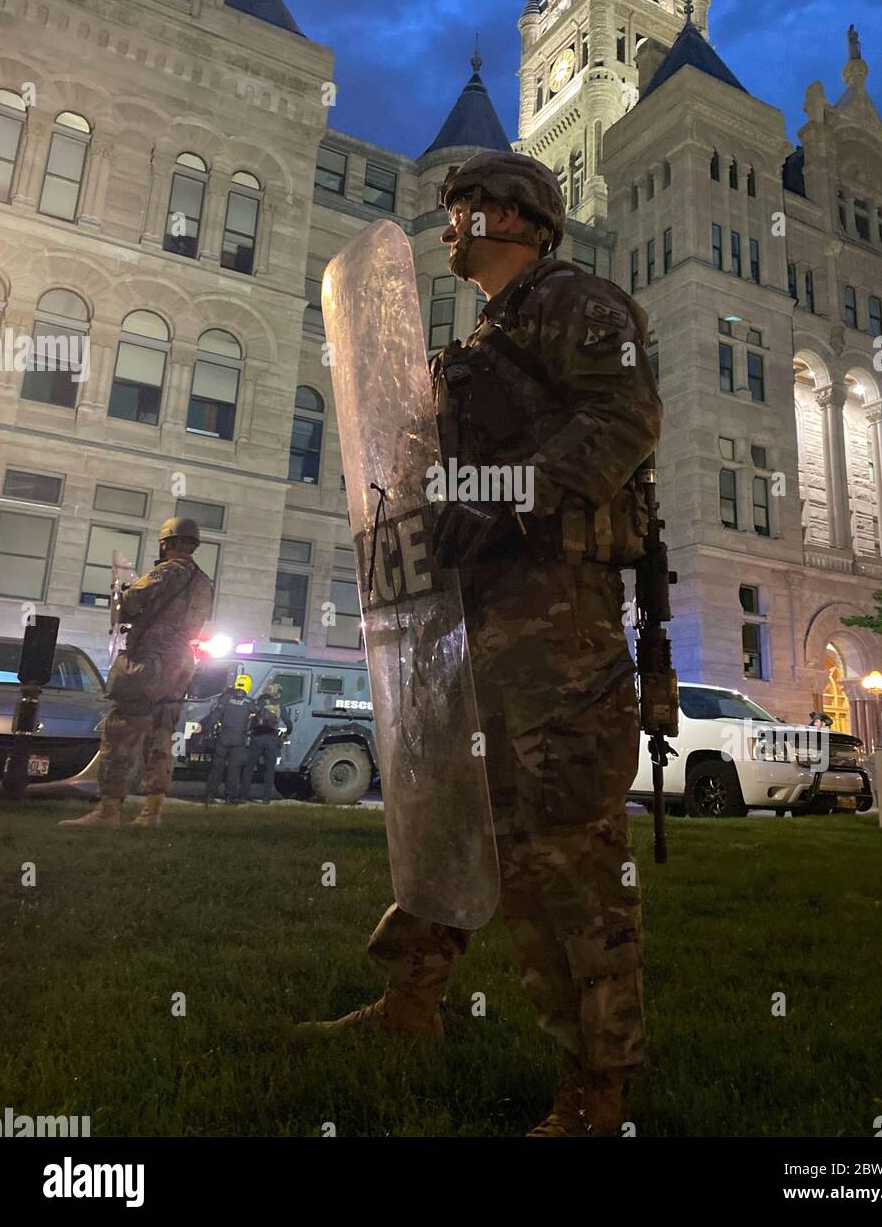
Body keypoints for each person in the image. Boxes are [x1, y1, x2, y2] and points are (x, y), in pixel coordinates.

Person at [300, 150, 662, 1137]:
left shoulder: (580, 304)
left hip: (559, 621)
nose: (451, 221)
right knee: (460, 816)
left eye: (468, 207)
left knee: (565, 848)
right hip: (469, 616)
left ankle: (597, 1083)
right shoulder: (485, 334)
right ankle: (412, 1002)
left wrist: (505, 500)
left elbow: (626, 420)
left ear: (521, 218)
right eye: (449, 207)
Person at [60, 518, 213, 828]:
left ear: (166, 542)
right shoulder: (204, 581)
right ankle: (151, 812)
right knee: (161, 735)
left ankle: (108, 811)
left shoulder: (165, 572)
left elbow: (128, 606)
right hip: (180, 662)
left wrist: (119, 590)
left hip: (147, 661)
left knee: (120, 731)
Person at [201, 674, 256, 805]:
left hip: (223, 738)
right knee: (234, 771)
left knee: (216, 769)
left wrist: (208, 732)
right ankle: (230, 798)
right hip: (239, 741)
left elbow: (213, 718)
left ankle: (209, 796)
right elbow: (257, 719)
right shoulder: (250, 703)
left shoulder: (226, 699)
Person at [242, 681, 292, 803]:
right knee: (269, 770)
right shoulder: (280, 706)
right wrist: (285, 734)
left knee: (249, 768)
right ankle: (266, 799)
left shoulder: (259, 703)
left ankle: (243, 796)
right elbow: (289, 725)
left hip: (257, 738)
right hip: (272, 740)